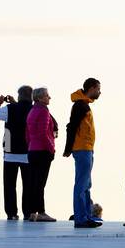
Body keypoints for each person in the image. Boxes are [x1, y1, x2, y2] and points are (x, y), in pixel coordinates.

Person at [63, 79, 103, 229]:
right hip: (82, 149)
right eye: (98, 89)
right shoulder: (80, 105)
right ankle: (81, 218)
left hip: (86, 148)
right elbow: (71, 126)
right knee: (81, 184)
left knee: (86, 184)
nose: (99, 92)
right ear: (91, 88)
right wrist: (68, 148)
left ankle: (86, 216)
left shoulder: (83, 104)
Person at [0, 87, 33, 221]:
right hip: (28, 152)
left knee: (9, 185)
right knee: (28, 185)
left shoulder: (10, 109)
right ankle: (28, 212)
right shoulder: (34, 109)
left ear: (19, 96)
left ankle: (11, 213)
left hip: (11, 152)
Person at [25, 87, 57, 221]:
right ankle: (42, 212)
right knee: (40, 183)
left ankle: (33, 212)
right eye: (47, 96)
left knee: (33, 183)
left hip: (32, 150)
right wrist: (51, 149)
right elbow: (44, 133)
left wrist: (30, 146)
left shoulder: (32, 111)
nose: (49, 98)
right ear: (39, 98)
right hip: (43, 151)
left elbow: (27, 133)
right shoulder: (43, 112)